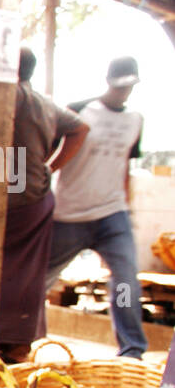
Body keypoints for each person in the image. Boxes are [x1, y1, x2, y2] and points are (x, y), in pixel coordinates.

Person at [42, 56, 146, 358]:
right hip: (70, 213)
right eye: (120, 85)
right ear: (108, 82)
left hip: (114, 215)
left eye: (130, 86)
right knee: (41, 278)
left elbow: (124, 165)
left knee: (126, 280)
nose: (124, 92)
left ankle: (132, 350)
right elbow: (50, 152)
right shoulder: (79, 110)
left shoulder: (136, 120)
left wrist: (128, 206)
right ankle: (20, 337)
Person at [0, 48, 88, 363]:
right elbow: (80, 128)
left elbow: (80, 129)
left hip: (18, 197)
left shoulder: (9, 97)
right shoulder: (44, 103)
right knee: (25, 272)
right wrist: (51, 165)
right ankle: (14, 341)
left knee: (10, 269)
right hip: (33, 193)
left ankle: (15, 342)